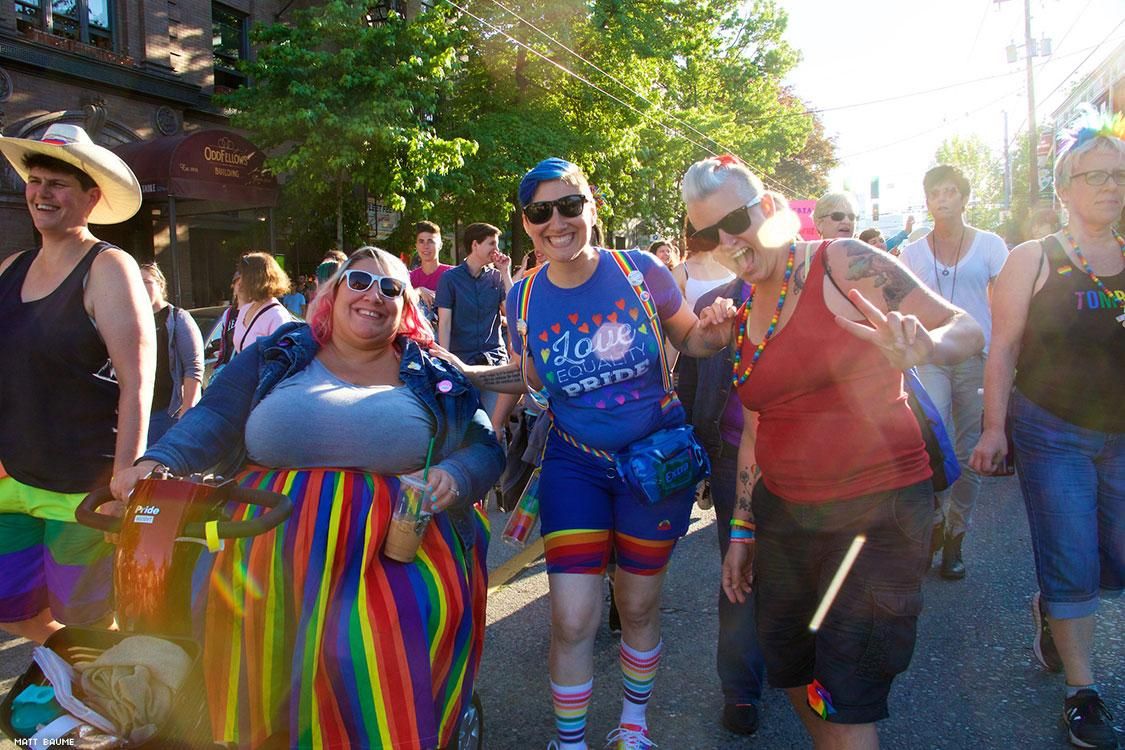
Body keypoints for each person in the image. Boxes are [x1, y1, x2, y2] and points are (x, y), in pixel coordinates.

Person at [114, 246, 504, 749]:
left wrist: (456, 472)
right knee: (255, 652)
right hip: (264, 541)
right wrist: (157, 461)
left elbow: (485, 447)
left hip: (395, 549)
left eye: (390, 288)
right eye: (359, 281)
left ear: (406, 306)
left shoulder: (433, 371)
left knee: (376, 645)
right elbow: (214, 416)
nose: (373, 296)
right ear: (333, 293)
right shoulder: (278, 352)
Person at [682, 154, 983, 750]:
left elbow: (966, 328)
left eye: (736, 220)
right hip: (786, 520)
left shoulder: (843, 262)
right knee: (791, 666)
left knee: (846, 694)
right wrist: (742, 529)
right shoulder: (741, 311)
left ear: (770, 209)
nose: (727, 242)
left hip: (876, 513)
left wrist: (925, 345)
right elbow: (758, 427)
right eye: (708, 234)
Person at [441, 158, 734, 750]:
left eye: (569, 205)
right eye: (540, 212)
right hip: (574, 466)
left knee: (637, 605)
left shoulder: (640, 270)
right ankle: (570, 742)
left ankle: (633, 728)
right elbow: (528, 375)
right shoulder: (522, 296)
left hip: (654, 465)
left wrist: (713, 332)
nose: (557, 222)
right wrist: (466, 376)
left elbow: (689, 338)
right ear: (527, 223)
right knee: (571, 618)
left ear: (592, 208)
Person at [970, 110, 1124, 750]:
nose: (1111, 186)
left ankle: (1051, 610)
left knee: (1116, 556)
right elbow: (1003, 348)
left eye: (1119, 175)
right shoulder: (1033, 259)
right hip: (1052, 429)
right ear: (1063, 189)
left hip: (1121, 432)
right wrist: (993, 430)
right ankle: (1081, 691)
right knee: (1070, 553)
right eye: (1096, 176)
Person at [0, 123, 154, 643]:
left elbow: (138, 382)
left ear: (91, 198)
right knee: (11, 609)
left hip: (81, 490)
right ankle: (73, 674)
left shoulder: (109, 266)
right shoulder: (11, 267)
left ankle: (89, 686)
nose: (42, 193)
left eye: (58, 184)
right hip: (11, 482)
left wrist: (123, 482)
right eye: (35, 181)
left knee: (86, 620)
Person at [900, 165, 1008, 579]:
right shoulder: (912, 253)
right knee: (935, 442)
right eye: (934, 193)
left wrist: (1006, 360)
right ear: (927, 201)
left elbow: (1005, 307)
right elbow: (900, 305)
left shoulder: (990, 245)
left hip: (977, 357)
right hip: (930, 357)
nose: (942, 199)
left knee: (968, 452)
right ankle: (936, 520)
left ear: (964, 198)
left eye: (949, 192)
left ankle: (955, 537)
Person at [676, 274, 766, 736]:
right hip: (731, 455)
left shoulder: (814, 293)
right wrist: (697, 459)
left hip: (804, 459)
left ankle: (803, 667)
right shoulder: (715, 303)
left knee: (799, 572)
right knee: (739, 566)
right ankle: (741, 688)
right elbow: (688, 384)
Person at [436, 222, 513, 424]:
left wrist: (505, 272)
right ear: (475, 245)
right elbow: (444, 323)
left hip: (494, 362)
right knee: (464, 425)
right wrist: (445, 361)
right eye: (492, 244)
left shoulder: (496, 277)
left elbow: (512, 313)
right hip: (462, 362)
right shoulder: (450, 279)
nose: (497, 250)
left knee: (495, 424)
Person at [139, 263, 204, 444]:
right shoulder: (135, 319)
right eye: (138, 283)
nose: (142, 288)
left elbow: (194, 367)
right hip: (143, 411)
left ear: (160, 285)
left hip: (169, 412)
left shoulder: (177, 317)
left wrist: (187, 410)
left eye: (147, 282)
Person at [231, 251, 292, 356]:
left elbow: (282, 357)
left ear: (256, 279)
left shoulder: (277, 316)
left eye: (244, 276)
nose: (239, 282)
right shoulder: (245, 310)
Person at [409, 220, 453, 320]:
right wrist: (418, 291)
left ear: (440, 245)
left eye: (430, 241)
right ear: (416, 246)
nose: (425, 246)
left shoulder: (453, 274)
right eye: (421, 241)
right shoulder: (409, 278)